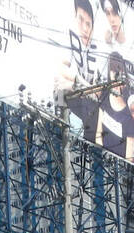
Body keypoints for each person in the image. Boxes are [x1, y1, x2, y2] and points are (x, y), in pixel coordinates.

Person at [57, 0, 101, 133]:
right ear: (74, 18)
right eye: (81, 20)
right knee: (60, 85)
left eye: (88, 24)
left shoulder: (97, 51)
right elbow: (61, 72)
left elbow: (99, 93)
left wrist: (83, 88)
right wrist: (79, 84)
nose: (85, 28)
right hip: (67, 106)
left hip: (88, 114)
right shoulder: (70, 37)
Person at [95, 52, 134, 157]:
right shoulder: (104, 96)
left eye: (119, 71)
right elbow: (98, 133)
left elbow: (129, 153)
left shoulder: (129, 113)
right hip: (101, 158)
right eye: (113, 70)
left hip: (118, 165)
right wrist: (99, 153)